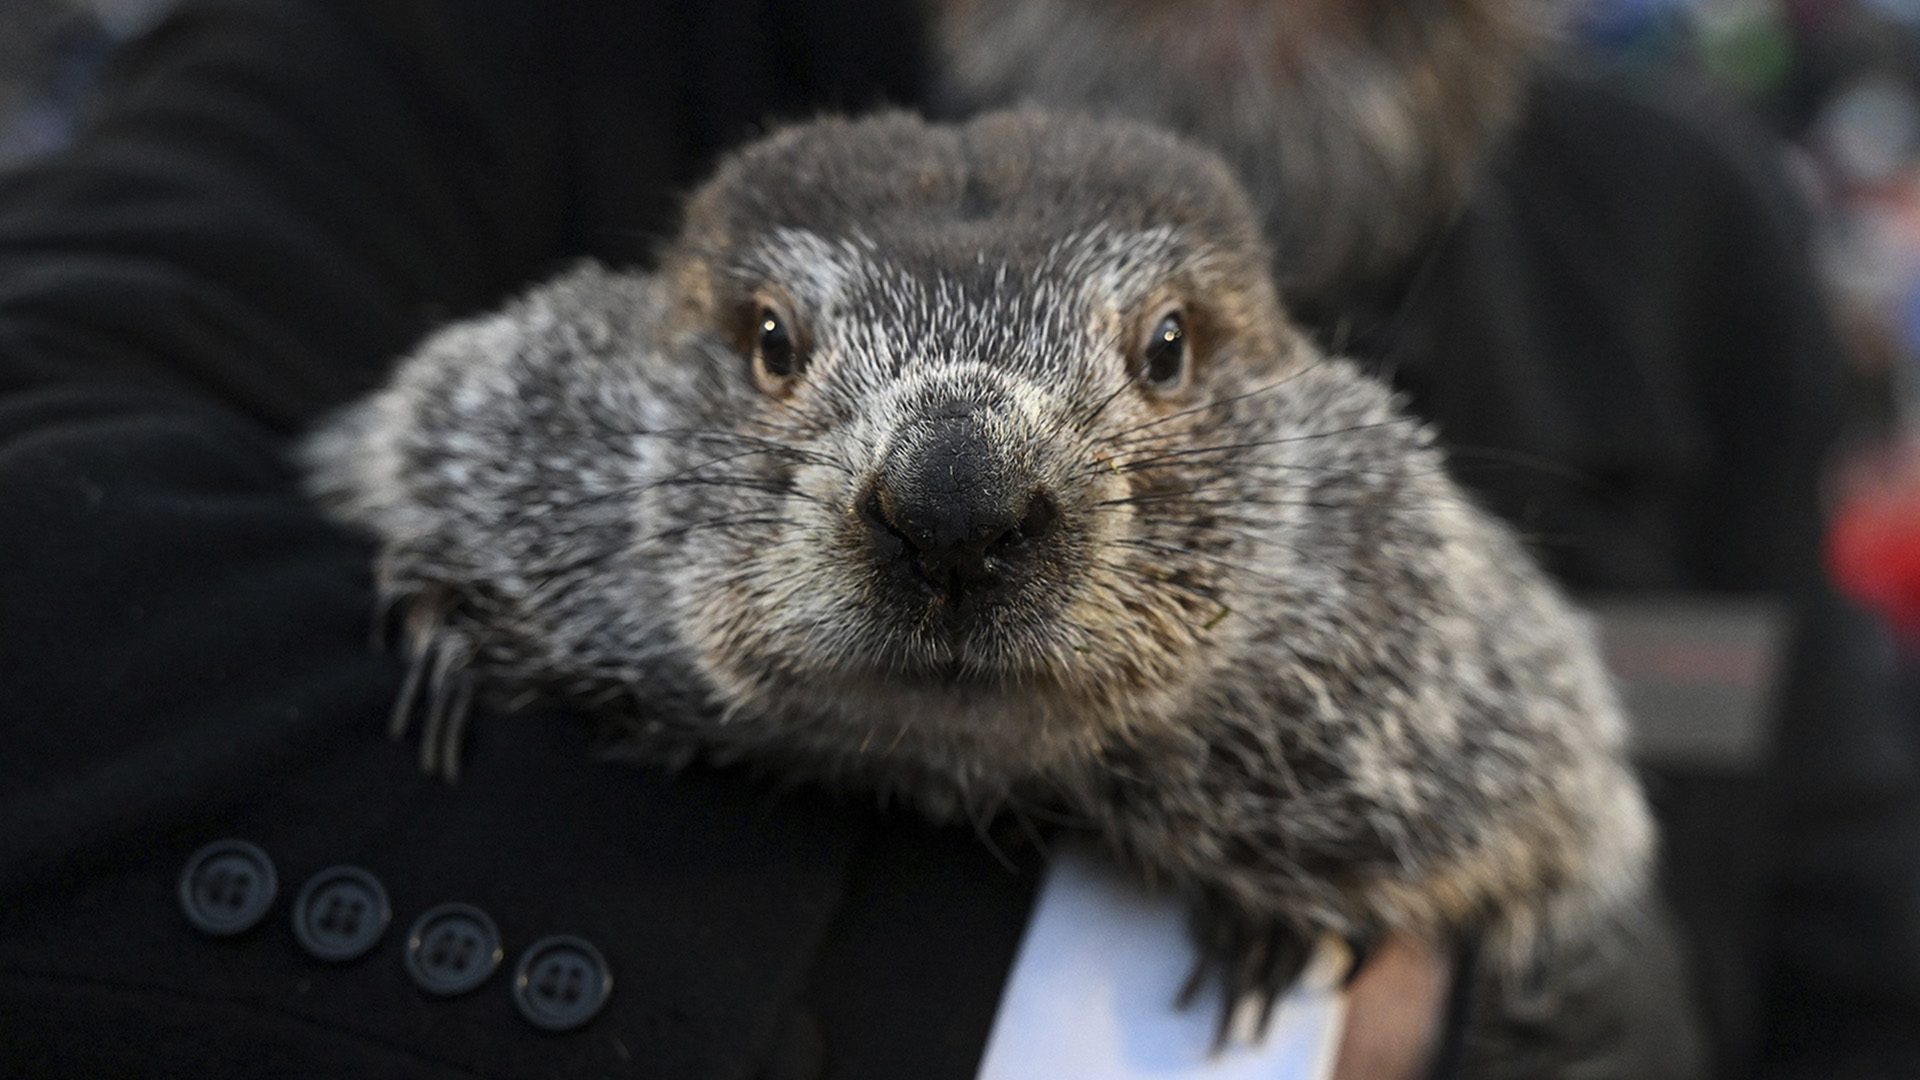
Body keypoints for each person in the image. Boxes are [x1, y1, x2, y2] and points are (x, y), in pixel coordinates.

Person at [1, 1, 1914, 1077]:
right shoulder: (458, 56)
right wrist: (1094, 1027)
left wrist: (1554, 1003)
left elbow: (1834, 937)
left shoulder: (1689, 239)